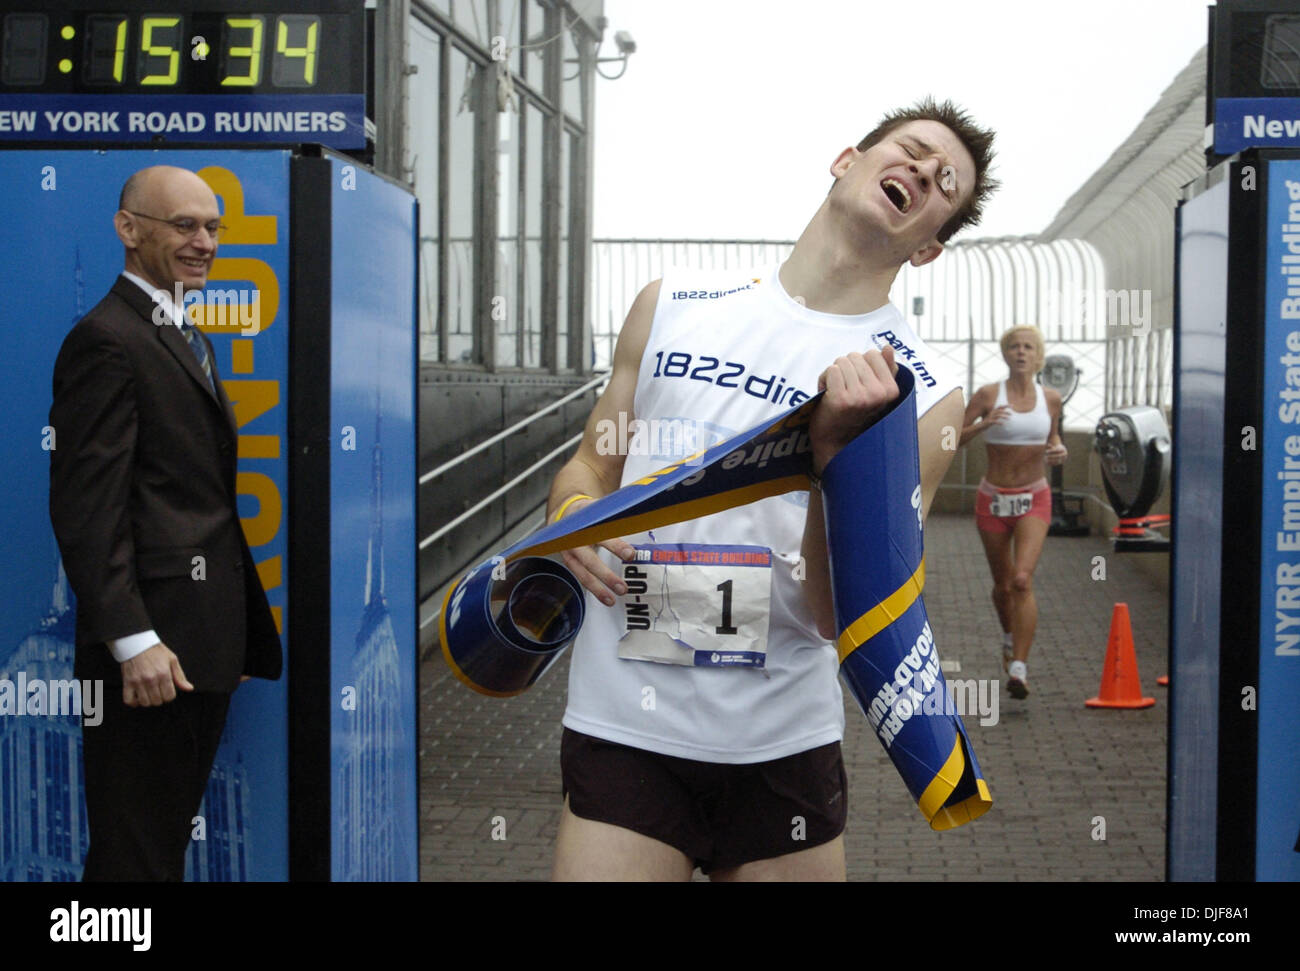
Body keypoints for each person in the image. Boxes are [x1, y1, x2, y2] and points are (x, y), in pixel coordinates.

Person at [545, 98, 999, 880]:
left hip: (780, 745)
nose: (922, 171)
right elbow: (590, 466)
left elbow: (837, 612)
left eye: (944, 184)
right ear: (847, 158)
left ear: (928, 247)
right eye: (912, 151)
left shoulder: (925, 390)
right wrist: (574, 511)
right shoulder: (671, 303)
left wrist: (834, 461)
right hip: (625, 727)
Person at [48, 165, 282, 881]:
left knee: (152, 852)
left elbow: (190, 497)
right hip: (150, 661)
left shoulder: (183, 333)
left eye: (213, 227)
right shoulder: (106, 340)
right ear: (129, 230)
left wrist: (230, 624)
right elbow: (87, 508)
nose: (204, 241)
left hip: (194, 647)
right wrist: (133, 641)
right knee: (133, 858)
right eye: (184, 225)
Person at [959, 325, 1067, 699]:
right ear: (1005, 354)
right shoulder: (989, 394)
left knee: (1022, 580)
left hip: (1034, 497)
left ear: (1038, 356)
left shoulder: (1050, 398)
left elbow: (1053, 437)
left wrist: (1058, 450)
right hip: (993, 498)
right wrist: (983, 424)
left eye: (1029, 347)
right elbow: (951, 436)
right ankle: (1008, 636)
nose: (1021, 353)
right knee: (1003, 585)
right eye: (1014, 347)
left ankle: (1019, 667)